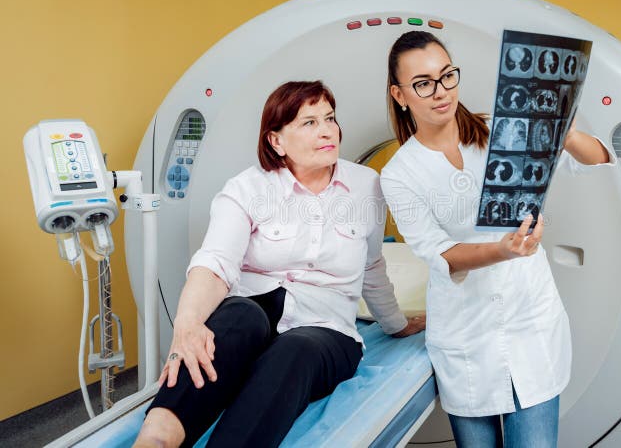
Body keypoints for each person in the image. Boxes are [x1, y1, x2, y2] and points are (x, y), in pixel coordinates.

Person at [134, 80, 425, 448]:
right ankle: (155, 439)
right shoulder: (248, 188)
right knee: (235, 318)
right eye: (309, 122)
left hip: (325, 327)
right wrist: (187, 325)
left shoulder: (367, 186)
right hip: (253, 309)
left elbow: (371, 267)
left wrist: (395, 325)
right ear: (276, 140)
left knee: (295, 350)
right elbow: (215, 263)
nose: (327, 131)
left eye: (330, 118)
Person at [381, 31, 614, 447]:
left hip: (530, 320)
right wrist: (503, 250)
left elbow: (595, 161)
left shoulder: (503, 130)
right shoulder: (399, 173)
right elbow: (441, 254)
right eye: (423, 83)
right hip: (465, 334)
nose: (441, 92)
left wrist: (565, 129)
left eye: (447, 76)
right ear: (400, 94)